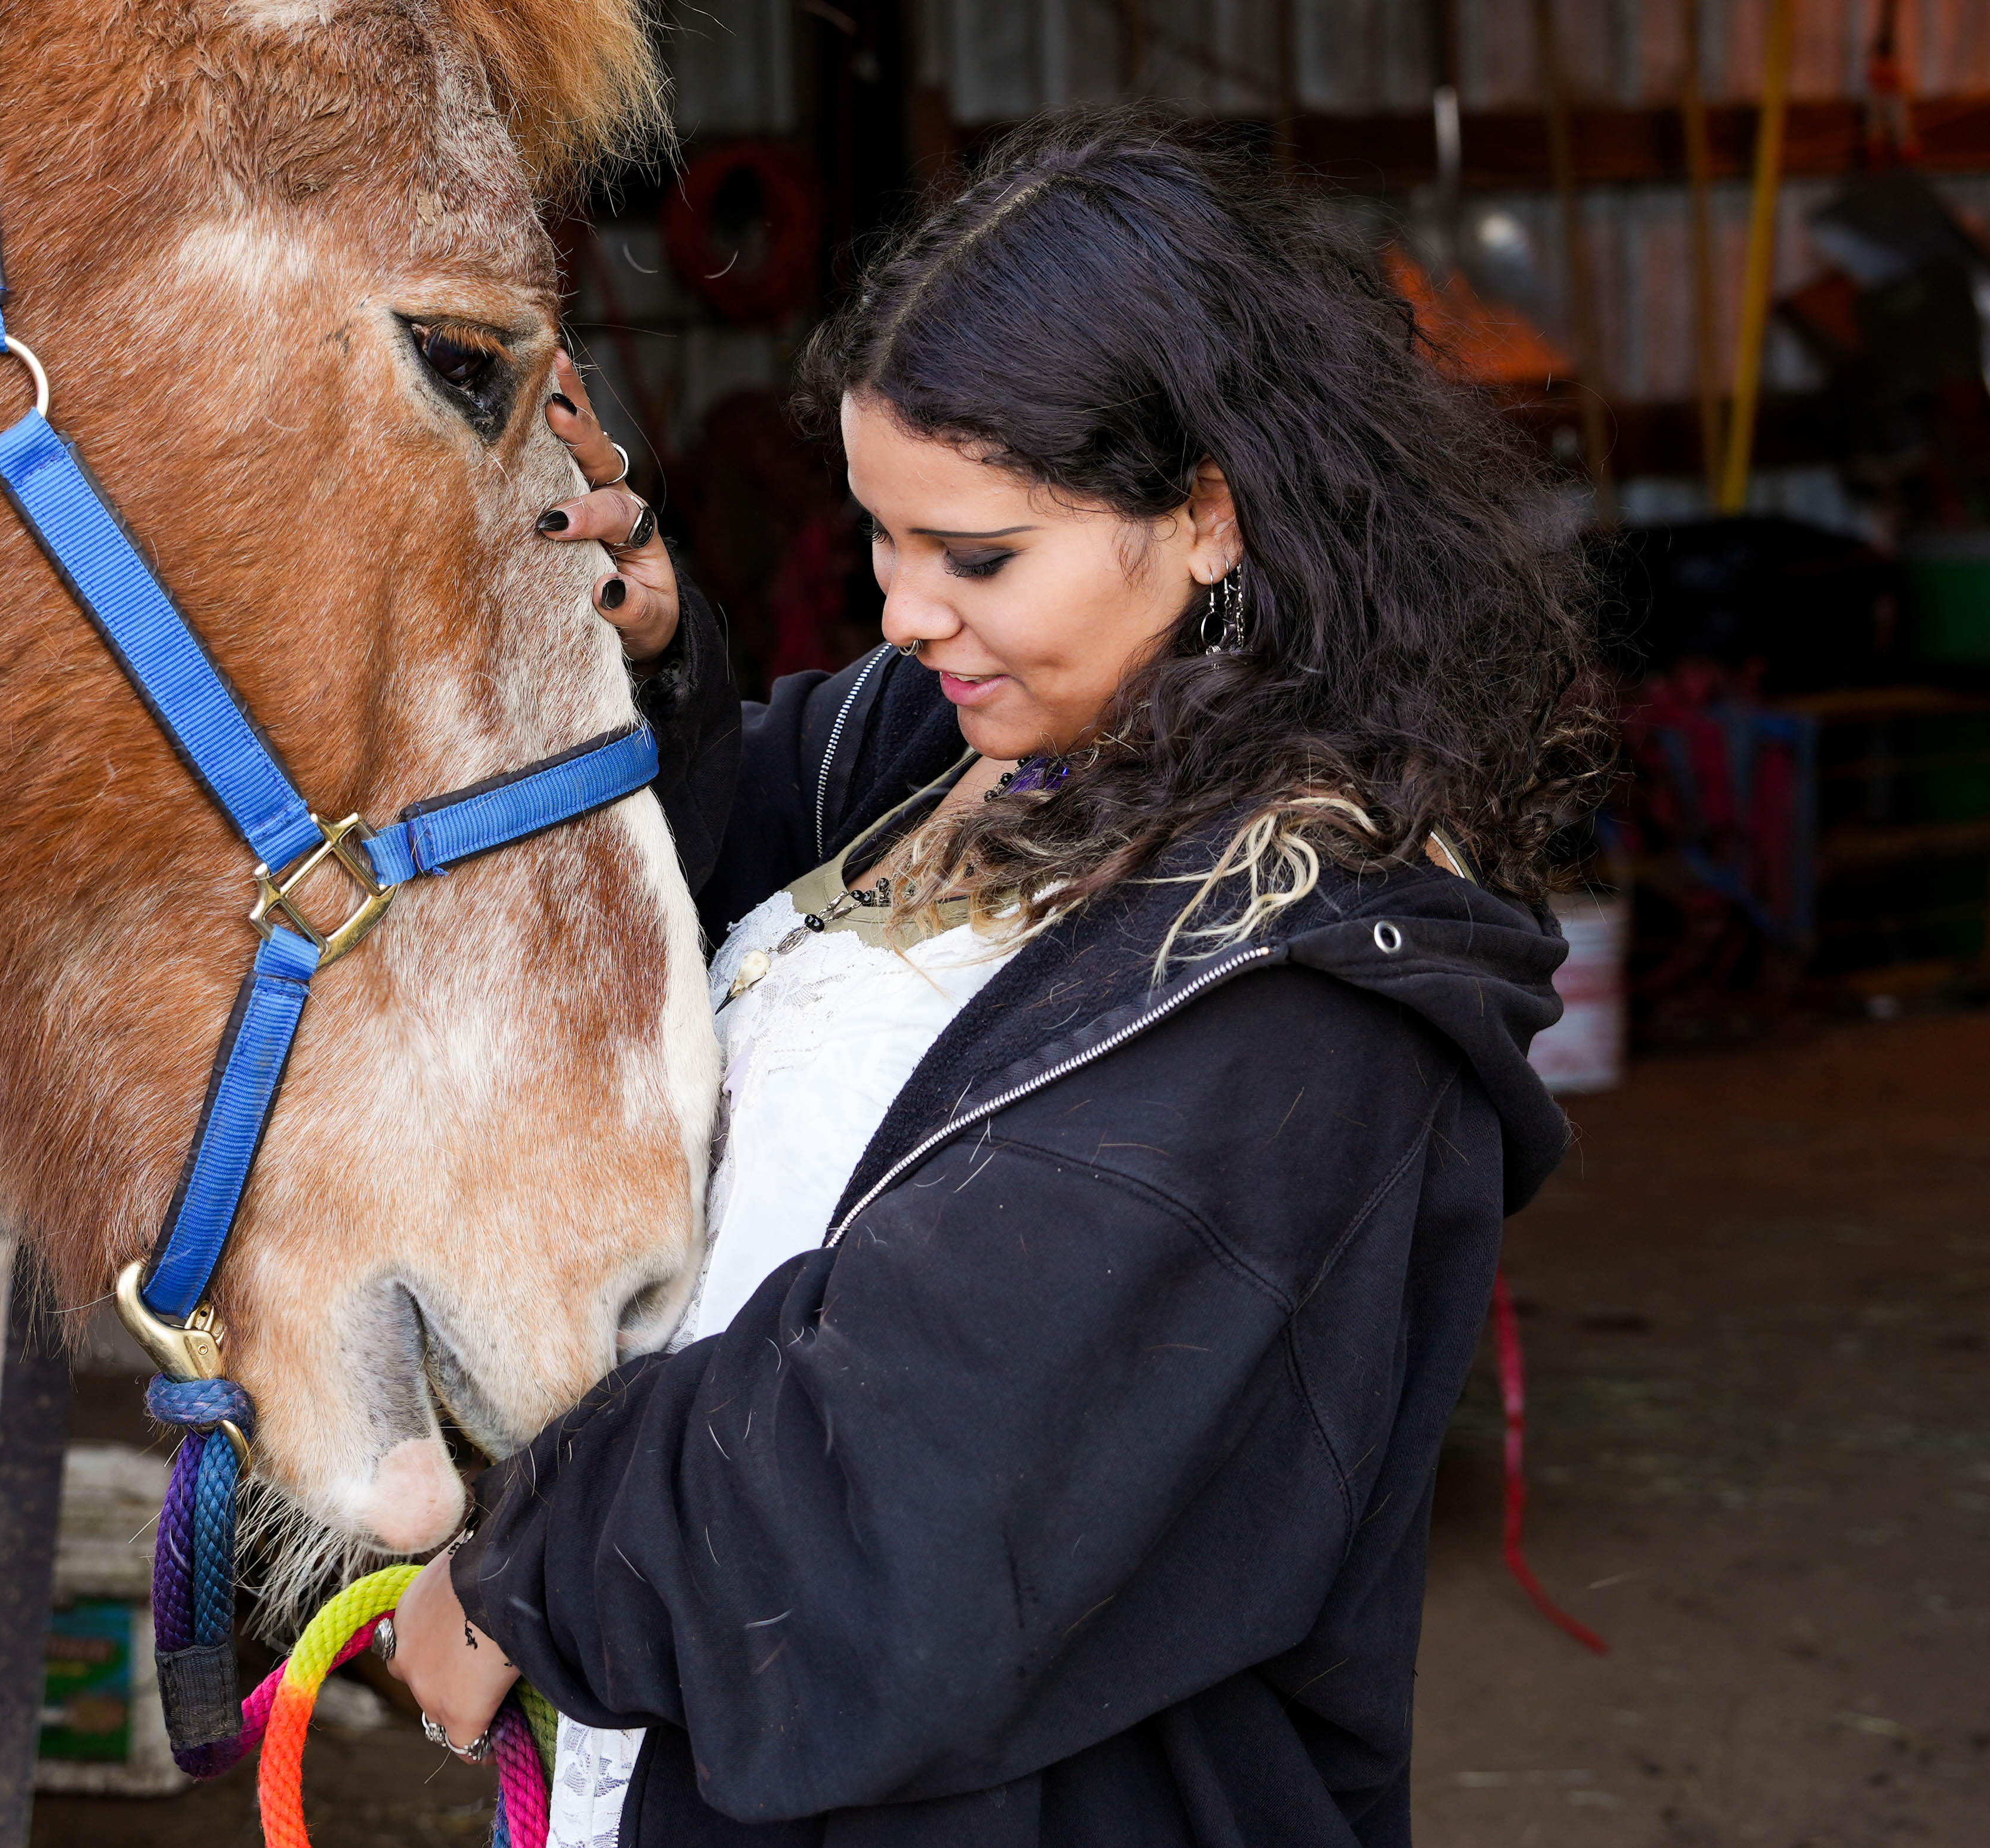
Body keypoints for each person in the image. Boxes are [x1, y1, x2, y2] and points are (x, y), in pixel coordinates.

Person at [390, 113, 1611, 1847]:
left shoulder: (1286, 1011)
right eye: (884, 537)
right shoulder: (980, 740)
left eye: (978, 557)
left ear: (1206, 517)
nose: (904, 611)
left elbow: (905, 1507)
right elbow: (701, 889)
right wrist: (647, 665)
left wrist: (534, 1568)